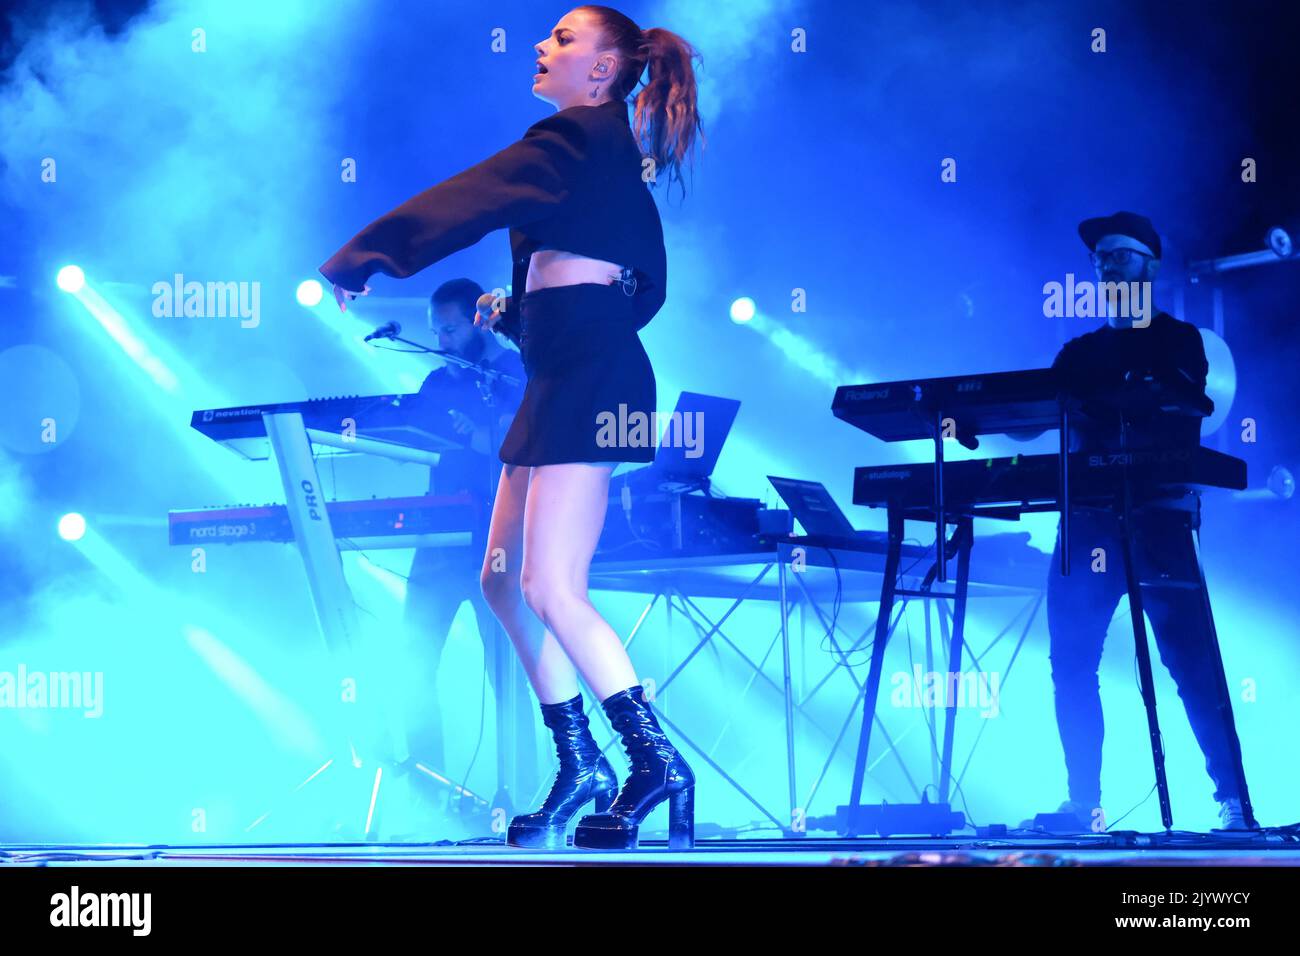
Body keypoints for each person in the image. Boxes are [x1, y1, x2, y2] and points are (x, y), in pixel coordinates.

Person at [319, 6, 704, 850]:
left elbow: (470, 198)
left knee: (550, 587)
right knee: (501, 579)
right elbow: (643, 285)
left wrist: (364, 256)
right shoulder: (603, 157)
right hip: (568, 373)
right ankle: (582, 763)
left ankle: (653, 761)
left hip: (592, 377)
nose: (543, 45)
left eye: (564, 39)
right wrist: (529, 309)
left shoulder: (576, 140)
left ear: (604, 70)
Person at [1031, 211, 1254, 833]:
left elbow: (1171, 403)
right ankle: (1083, 805)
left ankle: (1235, 806)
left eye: (1120, 255)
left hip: (1157, 520)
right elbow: (1035, 411)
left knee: (1190, 664)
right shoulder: (1078, 353)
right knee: (1071, 665)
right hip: (1085, 525)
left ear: (1151, 265)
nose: (1106, 266)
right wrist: (965, 417)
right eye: (1100, 258)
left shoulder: (1182, 342)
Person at [402, 278, 538, 806]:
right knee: (412, 662)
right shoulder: (435, 383)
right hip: (437, 542)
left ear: (479, 322)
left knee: (505, 668)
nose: (442, 342)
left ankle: (524, 792)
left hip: (494, 540)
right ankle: (426, 794)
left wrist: (481, 437)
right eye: (436, 332)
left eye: (452, 330)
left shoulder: (511, 371)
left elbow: (520, 446)